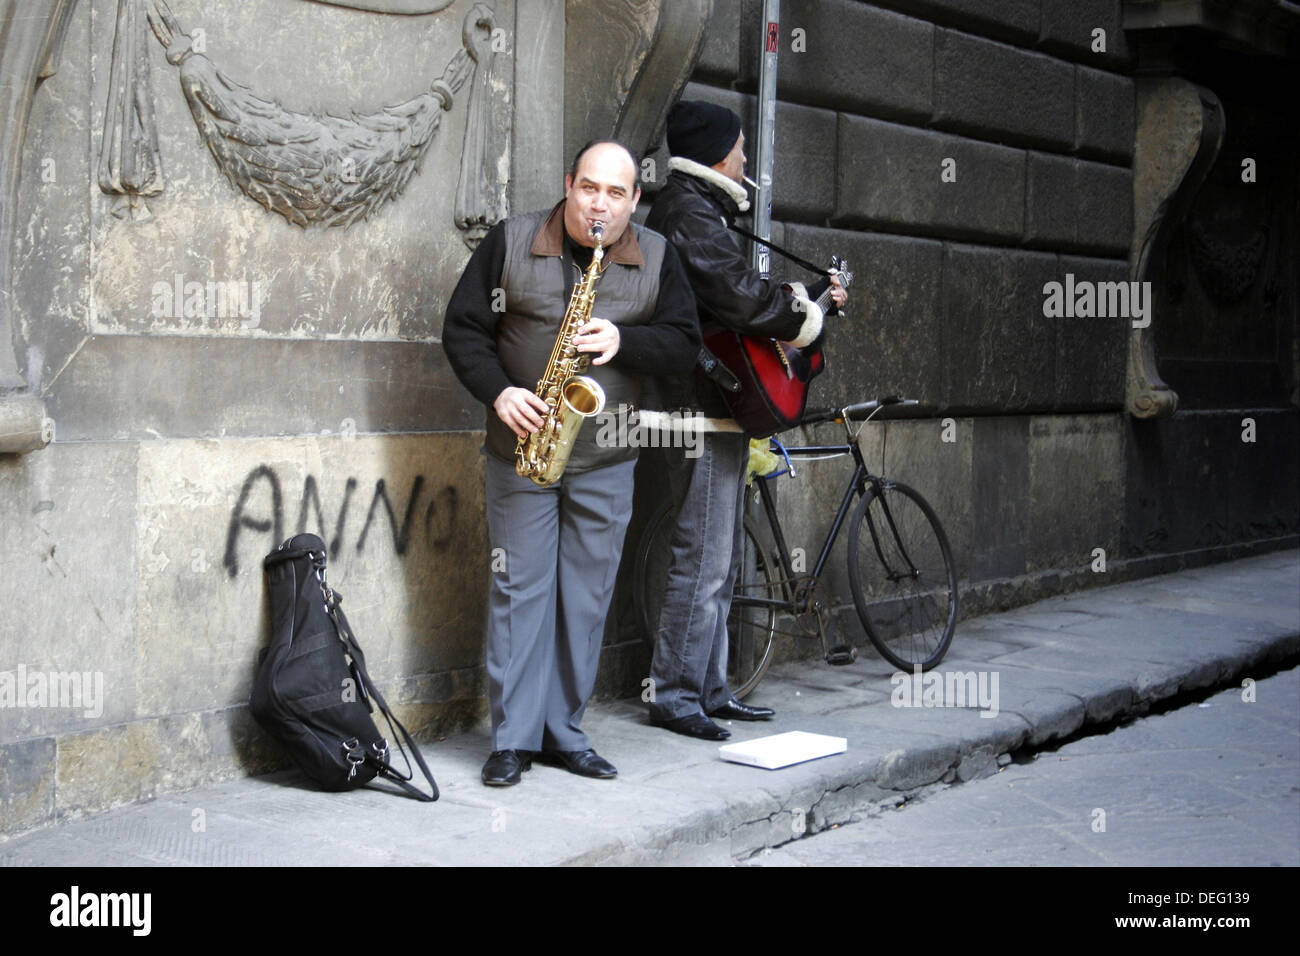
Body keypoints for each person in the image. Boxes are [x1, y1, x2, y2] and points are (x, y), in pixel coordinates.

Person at [442, 140, 701, 786]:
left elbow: (685, 343)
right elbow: (463, 329)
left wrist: (625, 340)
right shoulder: (512, 241)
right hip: (521, 453)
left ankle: (565, 732)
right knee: (518, 594)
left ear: (634, 200)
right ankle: (513, 739)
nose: (600, 204)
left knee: (584, 601)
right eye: (589, 188)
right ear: (568, 185)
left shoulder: (658, 257)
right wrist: (500, 391)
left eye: (616, 193)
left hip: (607, 456)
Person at [640, 101, 848, 740]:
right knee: (702, 559)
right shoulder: (687, 214)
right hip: (698, 409)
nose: (746, 158)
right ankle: (675, 696)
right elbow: (736, 298)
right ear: (714, 155)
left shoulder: (697, 212)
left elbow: (735, 305)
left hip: (715, 405)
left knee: (719, 560)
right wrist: (803, 314)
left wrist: (806, 308)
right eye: (738, 146)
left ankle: (710, 688)